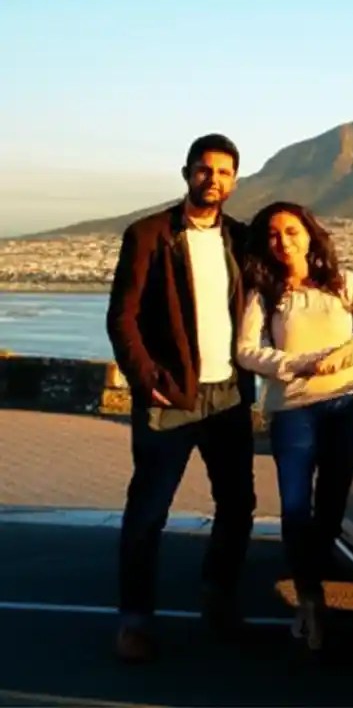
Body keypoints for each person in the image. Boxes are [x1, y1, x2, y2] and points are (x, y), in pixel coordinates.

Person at [105, 134, 259, 663]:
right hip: (169, 396)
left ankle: (218, 597)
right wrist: (143, 374)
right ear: (187, 173)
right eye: (203, 170)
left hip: (229, 397)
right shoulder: (149, 235)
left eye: (223, 172)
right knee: (148, 510)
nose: (212, 180)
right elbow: (122, 314)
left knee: (238, 505)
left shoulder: (240, 239)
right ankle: (135, 620)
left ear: (234, 180)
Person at [236, 201, 353, 652]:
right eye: (273, 234)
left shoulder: (344, 284)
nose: (283, 241)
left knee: (329, 508)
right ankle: (310, 599)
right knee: (295, 508)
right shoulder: (264, 293)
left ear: (310, 235)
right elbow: (247, 352)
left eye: (292, 231)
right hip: (294, 411)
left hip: (347, 406)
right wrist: (303, 364)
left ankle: (313, 585)